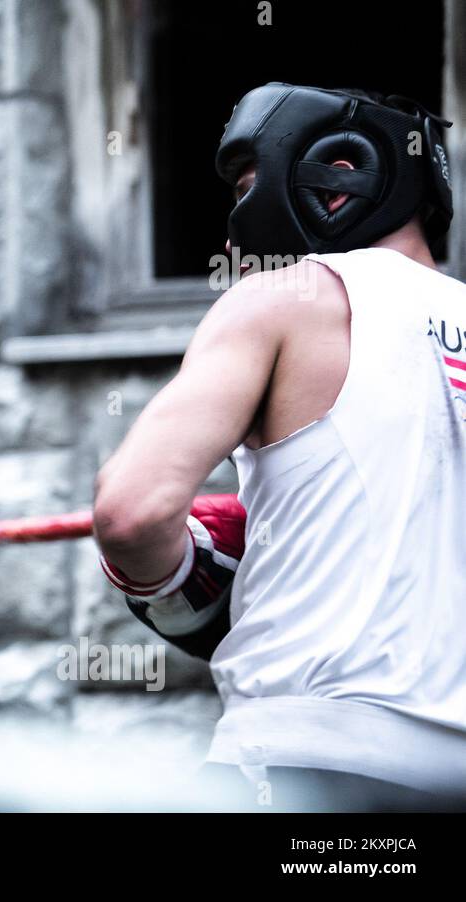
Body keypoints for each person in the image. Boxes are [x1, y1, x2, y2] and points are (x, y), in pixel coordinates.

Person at [94, 83, 466, 808]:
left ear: (340, 168)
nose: (236, 223)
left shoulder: (289, 299)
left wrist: (180, 591)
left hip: (306, 759)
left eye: (246, 183)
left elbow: (132, 512)